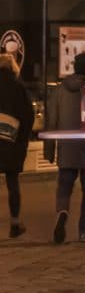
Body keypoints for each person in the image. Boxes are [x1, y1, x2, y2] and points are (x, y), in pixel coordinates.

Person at [42, 52, 85, 243]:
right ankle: (84, 231)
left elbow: (51, 119)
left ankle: (63, 212)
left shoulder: (59, 90)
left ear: (75, 67)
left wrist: (49, 149)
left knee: (64, 188)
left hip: (66, 146)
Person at [0, 53, 33, 238]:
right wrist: (22, 141)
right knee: (13, 183)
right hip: (12, 144)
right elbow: (28, 117)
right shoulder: (19, 88)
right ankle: (14, 223)